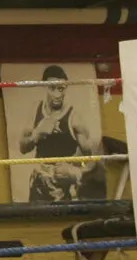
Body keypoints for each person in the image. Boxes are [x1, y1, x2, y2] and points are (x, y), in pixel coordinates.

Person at [18, 67, 97, 202]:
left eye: (61, 89)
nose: (57, 95)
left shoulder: (74, 117)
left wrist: (76, 173)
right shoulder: (34, 111)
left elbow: (94, 159)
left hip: (63, 185)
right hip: (39, 182)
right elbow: (23, 148)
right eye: (52, 88)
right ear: (45, 87)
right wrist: (37, 134)